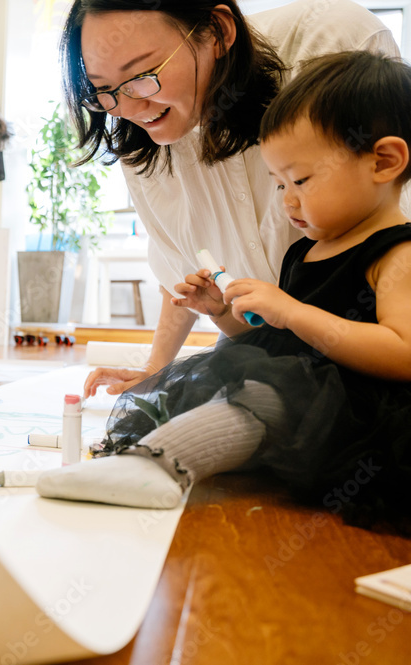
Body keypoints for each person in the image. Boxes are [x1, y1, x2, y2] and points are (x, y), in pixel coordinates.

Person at [38, 50, 411, 529]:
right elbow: (272, 342)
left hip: (368, 418)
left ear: (383, 161)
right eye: (279, 185)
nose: (288, 201)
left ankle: (154, 467)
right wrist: (221, 313)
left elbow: (402, 351)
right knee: (241, 387)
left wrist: (293, 312)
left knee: (263, 395)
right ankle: (146, 460)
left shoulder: (397, 253)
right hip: (308, 406)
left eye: (300, 180)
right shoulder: (307, 251)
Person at [62, 0, 408, 400]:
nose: (128, 108)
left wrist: (292, 313)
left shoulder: (328, 49)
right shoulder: (143, 133)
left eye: (142, 74)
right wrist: (160, 364)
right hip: (287, 383)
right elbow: (183, 254)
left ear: (219, 31)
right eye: (103, 89)